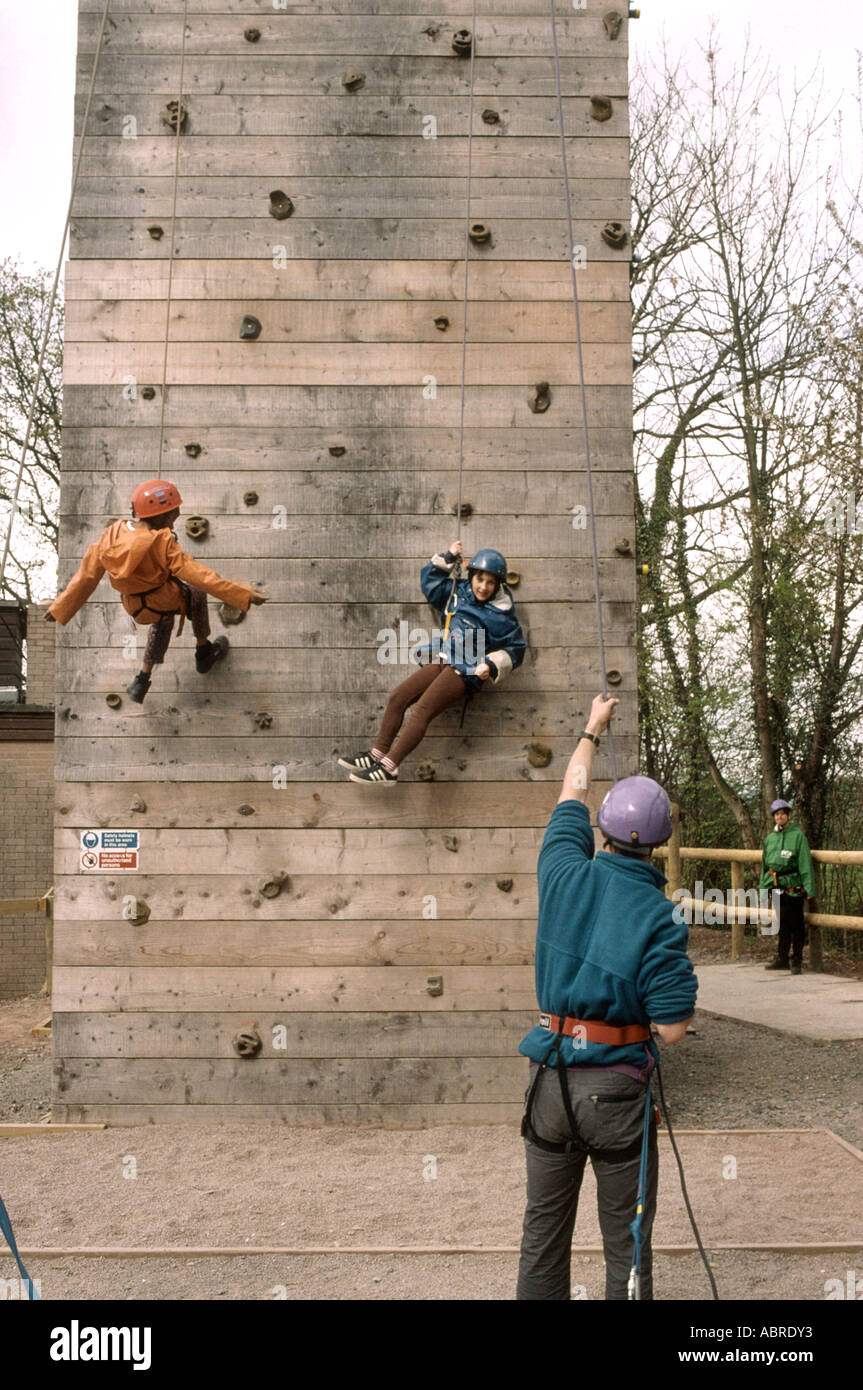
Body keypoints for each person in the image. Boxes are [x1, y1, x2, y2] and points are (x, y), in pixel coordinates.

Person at [516, 694, 697, 1301]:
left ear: (603, 830)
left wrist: (592, 729)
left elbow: (571, 790)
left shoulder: (562, 868)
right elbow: (672, 1029)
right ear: (658, 845)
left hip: (550, 1082)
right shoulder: (660, 918)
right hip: (617, 1094)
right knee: (627, 1240)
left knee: (543, 1233)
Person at [45, 479, 268, 702]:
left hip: (134, 606)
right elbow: (199, 575)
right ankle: (204, 652)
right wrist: (241, 594)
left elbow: (87, 576)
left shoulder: (112, 533)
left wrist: (60, 607)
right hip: (160, 600)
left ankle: (142, 678)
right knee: (196, 595)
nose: (173, 523)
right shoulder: (161, 541)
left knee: (162, 619)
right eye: (173, 516)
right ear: (161, 515)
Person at [338, 540, 526, 784]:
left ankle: (388, 768)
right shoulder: (460, 593)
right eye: (480, 580)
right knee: (397, 697)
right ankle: (376, 754)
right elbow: (431, 584)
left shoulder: (500, 614)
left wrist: (490, 665)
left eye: (490, 583)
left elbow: (516, 649)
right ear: (472, 576)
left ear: (498, 584)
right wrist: (448, 557)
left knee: (421, 711)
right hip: (445, 657)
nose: (483, 587)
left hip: (466, 669)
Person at [761, 798, 816, 975]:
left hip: (794, 887)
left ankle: (797, 960)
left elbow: (805, 863)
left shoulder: (798, 836)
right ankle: (782, 958)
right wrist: (764, 887)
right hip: (776, 886)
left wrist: (809, 888)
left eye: (783, 814)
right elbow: (765, 866)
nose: (780, 817)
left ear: (789, 815)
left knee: (797, 925)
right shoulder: (770, 839)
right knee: (781, 925)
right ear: (774, 817)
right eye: (777, 814)